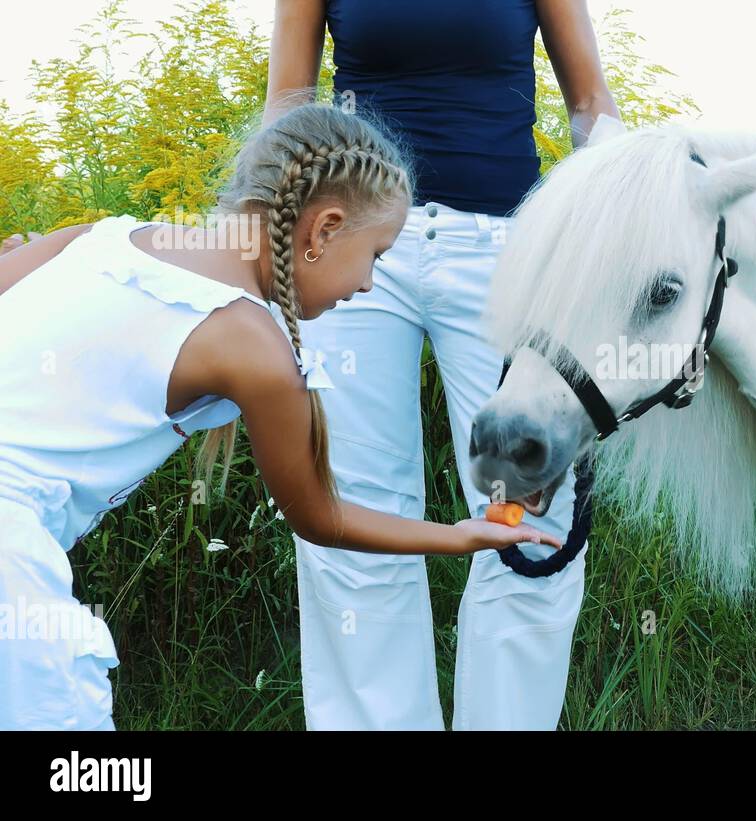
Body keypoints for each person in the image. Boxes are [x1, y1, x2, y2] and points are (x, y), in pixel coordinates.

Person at [0, 102, 562, 731]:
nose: (372, 285)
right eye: (376, 254)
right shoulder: (252, 345)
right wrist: (461, 535)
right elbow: (321, 518)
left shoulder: (102, 235)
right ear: (322, 231)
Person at [266, 0, 620, 730]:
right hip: (349, 245)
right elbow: (289, 107)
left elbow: (588, 105)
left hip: (503, 253)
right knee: (351, 523)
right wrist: (265, 253)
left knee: (531, 524)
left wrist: (616, 223)